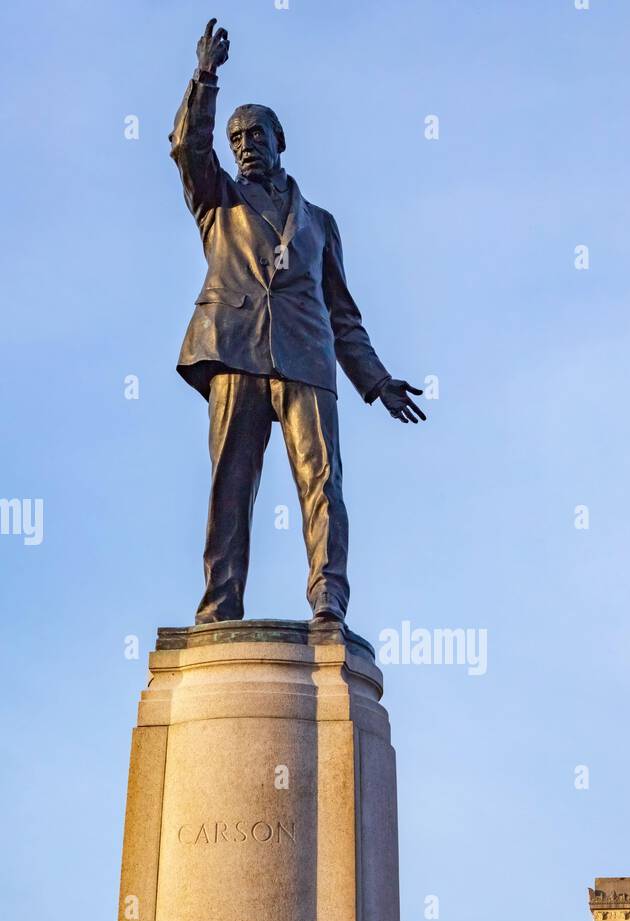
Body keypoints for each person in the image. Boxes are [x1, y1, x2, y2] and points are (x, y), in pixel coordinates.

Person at [170, 19, 427, 627]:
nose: (245, 145)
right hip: (234, 351)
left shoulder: (319, 222)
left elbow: (343, 314)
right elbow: (187, 148)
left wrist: (377, 381)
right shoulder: (217, 200)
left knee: (323, 483)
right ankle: (220, 604)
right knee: (230, 488)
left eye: (256, 134)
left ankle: (328, 597)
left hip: (307, 358)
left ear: (281, 141)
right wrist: (205, 77)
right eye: (235, 138)